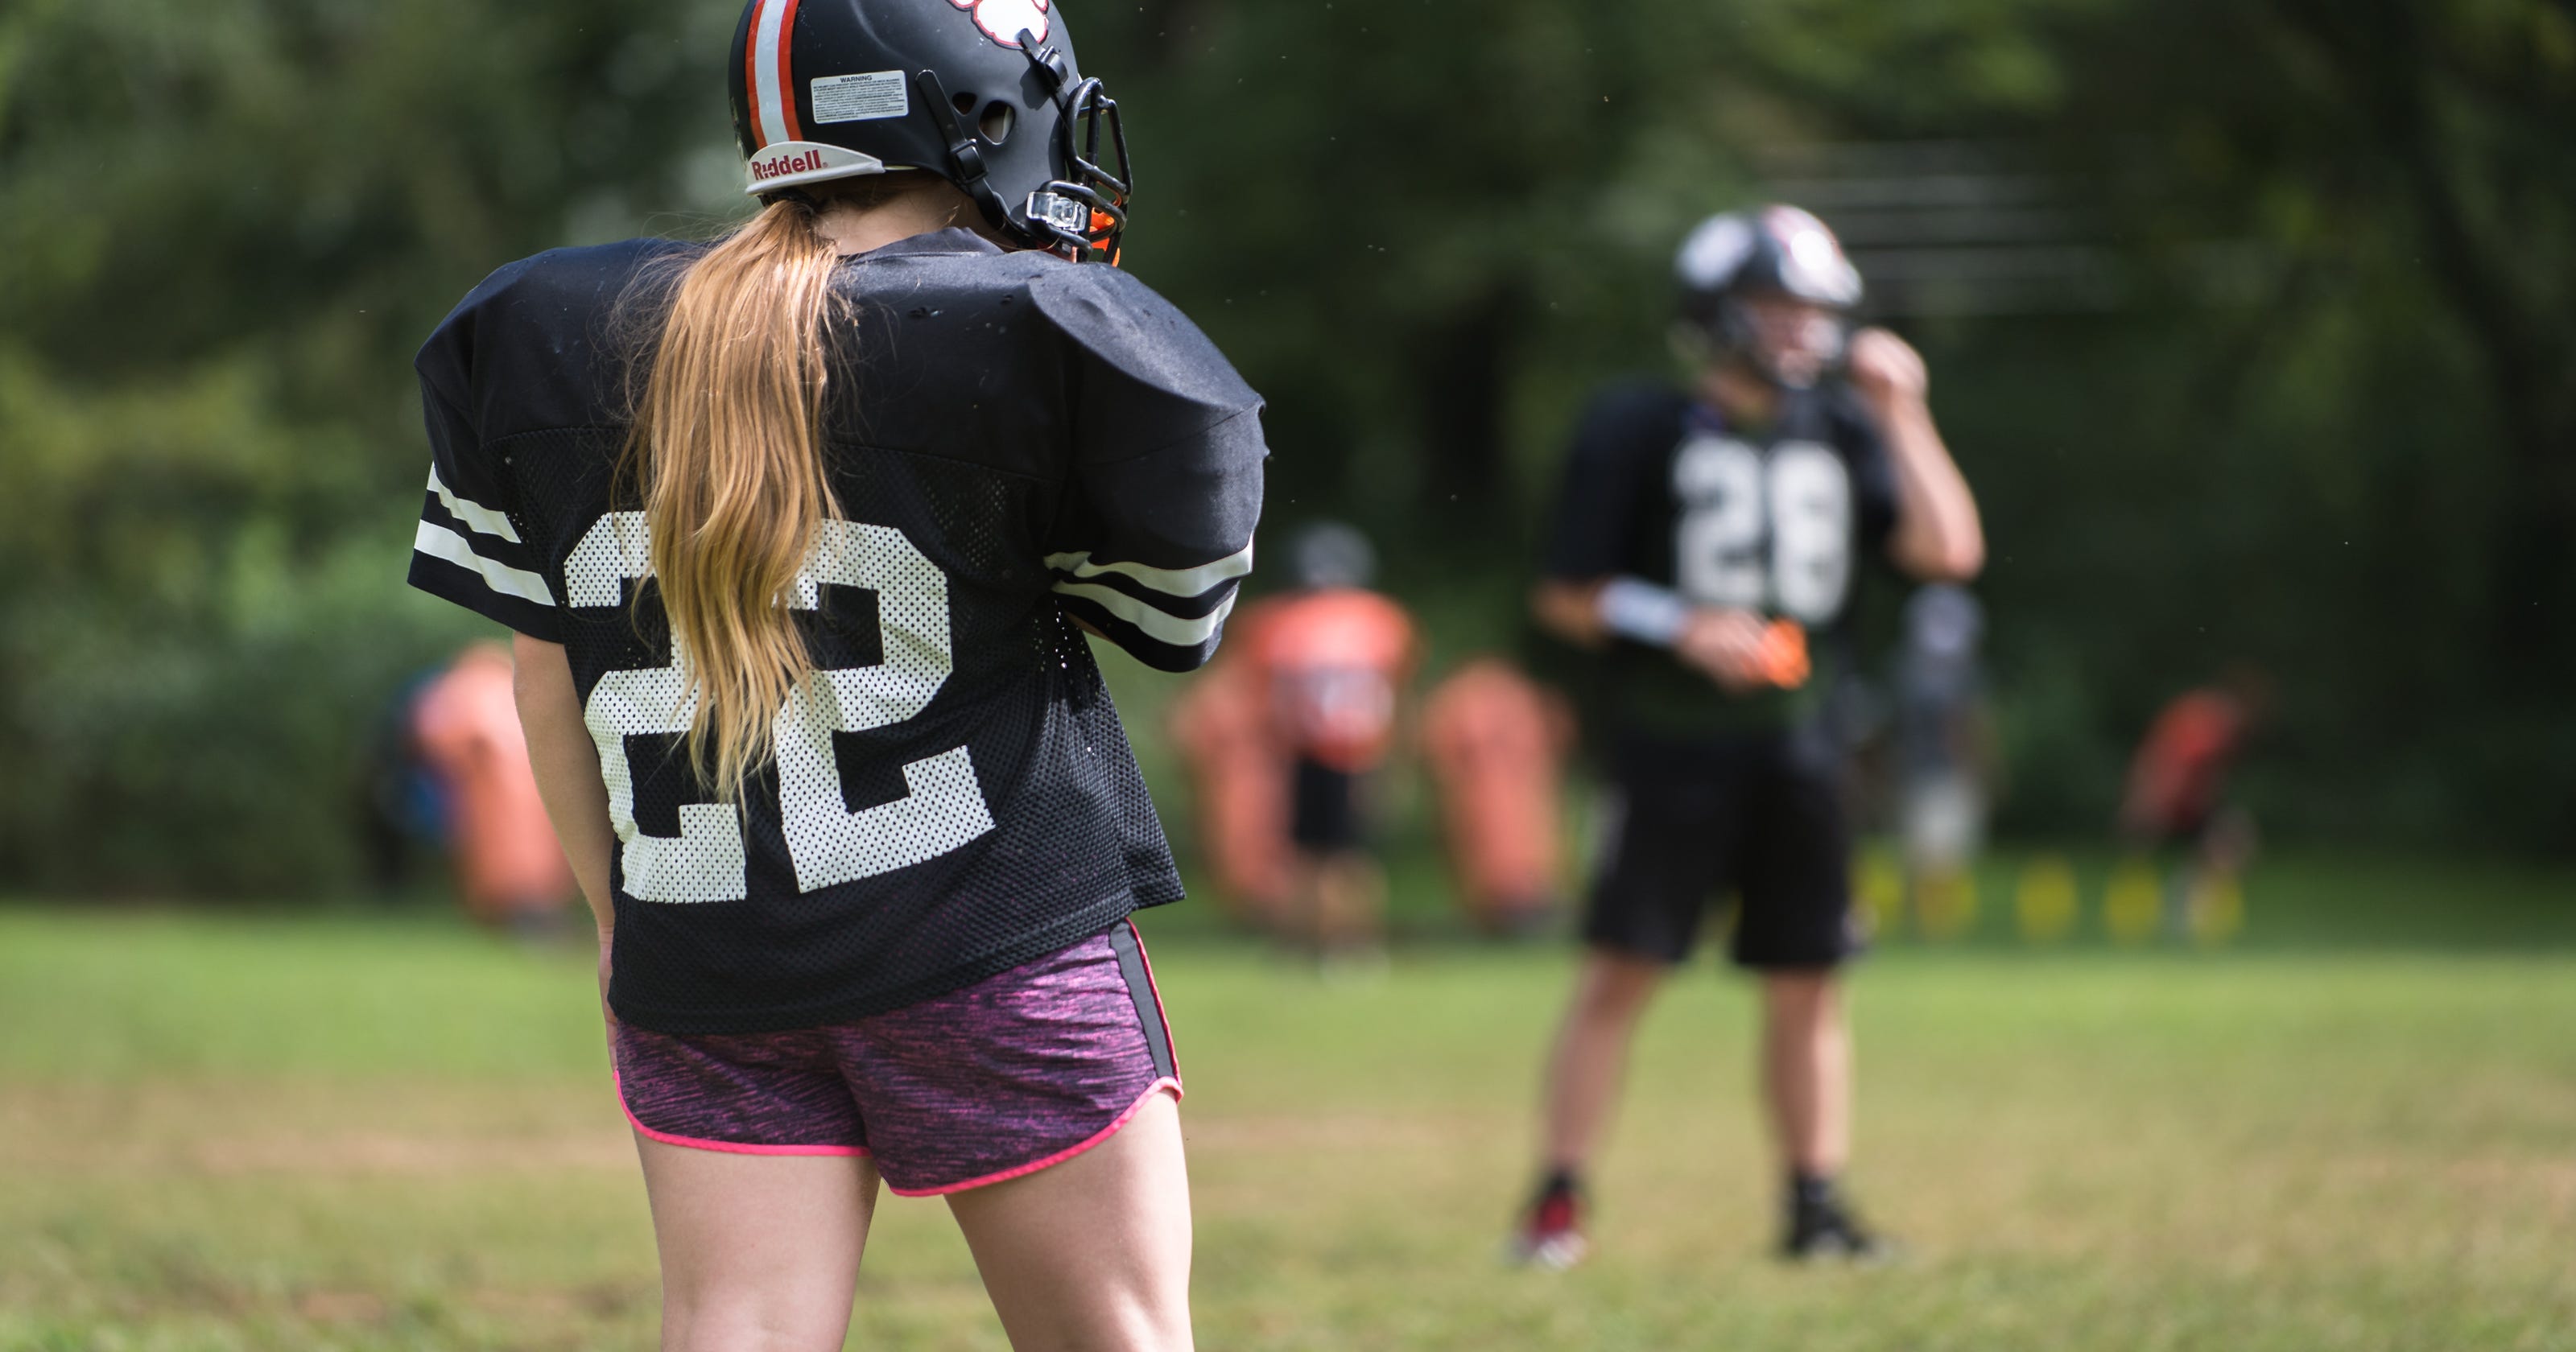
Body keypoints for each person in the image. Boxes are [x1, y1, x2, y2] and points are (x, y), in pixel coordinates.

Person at [402, 2, 1263, 1346]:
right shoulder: (1025, 334)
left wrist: (627, 932)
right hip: (993, 932)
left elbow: (546, 688)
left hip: (705, 950)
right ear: (978, 110)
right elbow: (1173, 615)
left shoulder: (568, 331)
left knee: (735, 1329)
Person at [1512, 205, 1984, 1266]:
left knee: (1811, 976)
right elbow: (1564, 594)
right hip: (1672, 742)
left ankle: (1814, 1208)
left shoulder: (1847, 427)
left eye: (1814, 310)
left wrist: (1904, 410)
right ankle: (1557, 1200)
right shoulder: (1636, 424)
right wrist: (1675, 623)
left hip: (1806, 745)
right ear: (1715, 313)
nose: (1801, 331)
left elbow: (1949, 551)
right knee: (1624, 968)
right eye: (1777, 307)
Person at [1241, 523, 1417, 961]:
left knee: (1311, 854)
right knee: (1348, 854)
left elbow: (1272, 701)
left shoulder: (1282, 621)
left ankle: (1315, 944)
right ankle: (1348, 944)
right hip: (1362, 751)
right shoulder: (1381, 619)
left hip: (1307, 751)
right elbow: (1393, 692)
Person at [410, 641, 576, 933]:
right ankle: (521, 914)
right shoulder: (497, 687)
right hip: (507, 791)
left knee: (518, 852)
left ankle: (527, 914)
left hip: (508, 792)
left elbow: (433, 733)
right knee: (517, 852)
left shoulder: (465, 689)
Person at [1419, 656, 1575, 938]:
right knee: (1508, 843)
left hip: (1502, 792)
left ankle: (1519, 909)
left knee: (1511, 843)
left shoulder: (1464, 699)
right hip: (1498, 793)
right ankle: (1508, 911)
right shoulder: (1516, 699)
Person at [2118, 667, 2269, 941]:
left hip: (2188, 802)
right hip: (2176, 803)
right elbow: (2169, 764)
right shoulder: (2210, 725)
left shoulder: (2206, 716)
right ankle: (2184, 915)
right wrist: (2150, 807)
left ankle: (2189, 915)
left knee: (2227, 848)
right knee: (2232, 845)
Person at [1889, 584, 1993, 938]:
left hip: (1918, 772)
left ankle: (1926, 923)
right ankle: (1933, 925)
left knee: (1927, 856)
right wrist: (1981, 769)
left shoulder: (1907, 670)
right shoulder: (1952, 676)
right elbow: (1966, 728)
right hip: (1939, 775)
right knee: (1939, 857)